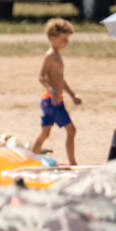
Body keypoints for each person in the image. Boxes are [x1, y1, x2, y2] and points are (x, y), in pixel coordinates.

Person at [33, 17, 81, 166]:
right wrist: (52, 90)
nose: (66, 43)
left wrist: (72, 95)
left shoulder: (58, 55)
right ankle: (73, 163)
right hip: (52, 100)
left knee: (45, 133)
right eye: (63, 40)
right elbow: (41, 76)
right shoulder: (50, 55)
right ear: (53, 38)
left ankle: (30, 160)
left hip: (54, 99)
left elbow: (61, 80)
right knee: (71, 130)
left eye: (67, 40)